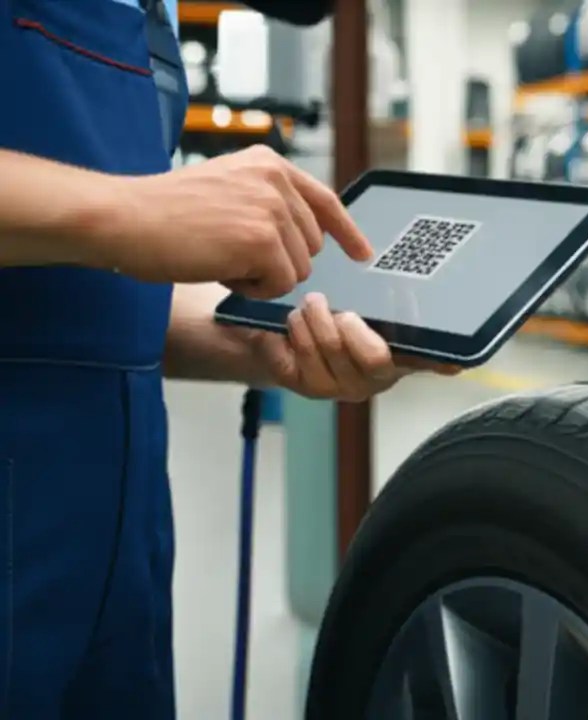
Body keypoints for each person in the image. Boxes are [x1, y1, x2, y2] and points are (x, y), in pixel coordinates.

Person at [0, 0, 446, 716]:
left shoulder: (153, 14)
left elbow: (86, 300)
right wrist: (133, 212)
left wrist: (261, 338)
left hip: (121, 537)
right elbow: (121, 227)